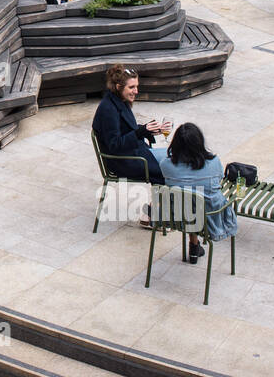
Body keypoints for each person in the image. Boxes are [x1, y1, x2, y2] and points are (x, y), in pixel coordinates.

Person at [157, 123, 238, 264]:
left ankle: (194, 246)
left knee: (189, 201)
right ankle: (194, 246)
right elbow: (219, 180)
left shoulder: (165, 165)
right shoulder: (213, 163)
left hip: (176, 217)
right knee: (200, 200)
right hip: (210, 220)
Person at [91, 64, 165, 188]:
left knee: (174, 157)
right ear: (119, 87)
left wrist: (149, 130)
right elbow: (114, 145)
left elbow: (127, 129)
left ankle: (160, 204)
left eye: (136, 86)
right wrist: (140, 132)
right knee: (169, 170)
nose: (136, 91)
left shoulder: (119, 100)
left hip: (134, 153)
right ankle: (164, 205)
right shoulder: (108, 109)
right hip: (123, 161)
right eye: (131, 87)